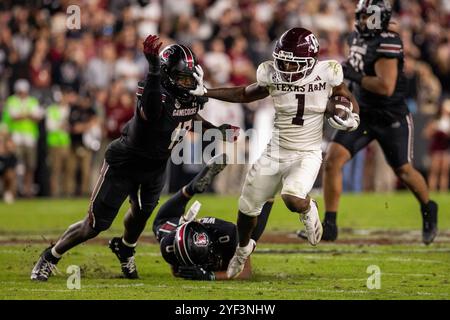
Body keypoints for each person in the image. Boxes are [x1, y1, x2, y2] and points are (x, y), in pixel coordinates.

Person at [30, 35, 237, 281]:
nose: (187, 82)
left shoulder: (189, 96)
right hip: (126, 163)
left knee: (141, 214)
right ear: (166, 75)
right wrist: (152, 70)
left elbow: (189, 117)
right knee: (95, 226)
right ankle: (50, 256)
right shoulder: (154, 92)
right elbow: (151, 111)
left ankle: (126, 248)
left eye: (190, 77)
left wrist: (215, 131)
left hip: (156, 166)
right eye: (181, 77)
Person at [190, 27, 360, 278]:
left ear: (309, 62)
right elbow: (244, 93)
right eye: (282, 61)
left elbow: (345, 95)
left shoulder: (328, 72)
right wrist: (206, 92)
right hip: (275, 151)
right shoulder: (272, 74)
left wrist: (352, 113)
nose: (284, 68)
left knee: (292, 196)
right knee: (247, 208)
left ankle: (308, 208)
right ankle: (243, 248)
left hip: (307, 152)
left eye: (291, 64)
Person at [301, 0, 438, 244]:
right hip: (362, 113)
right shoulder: (356, 37)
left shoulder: (388, 41)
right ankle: (330, 225)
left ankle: (428, 209)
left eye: (367, 17)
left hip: (389, 116)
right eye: (361, 16)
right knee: (332, 161)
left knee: (403, 171)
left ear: (380, 19)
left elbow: (385, 87)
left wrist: (355, 76)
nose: (362, 21)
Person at [153, 154, 273, 280]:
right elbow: (176, 271)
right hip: (181, 228)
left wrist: (210, 275)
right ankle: (191, 188)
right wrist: (183, 268)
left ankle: (268, 194)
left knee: (248, 239)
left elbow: (246, 272)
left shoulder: (227, 234)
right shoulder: (169, 245)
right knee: (160, 224)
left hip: (224, 238)